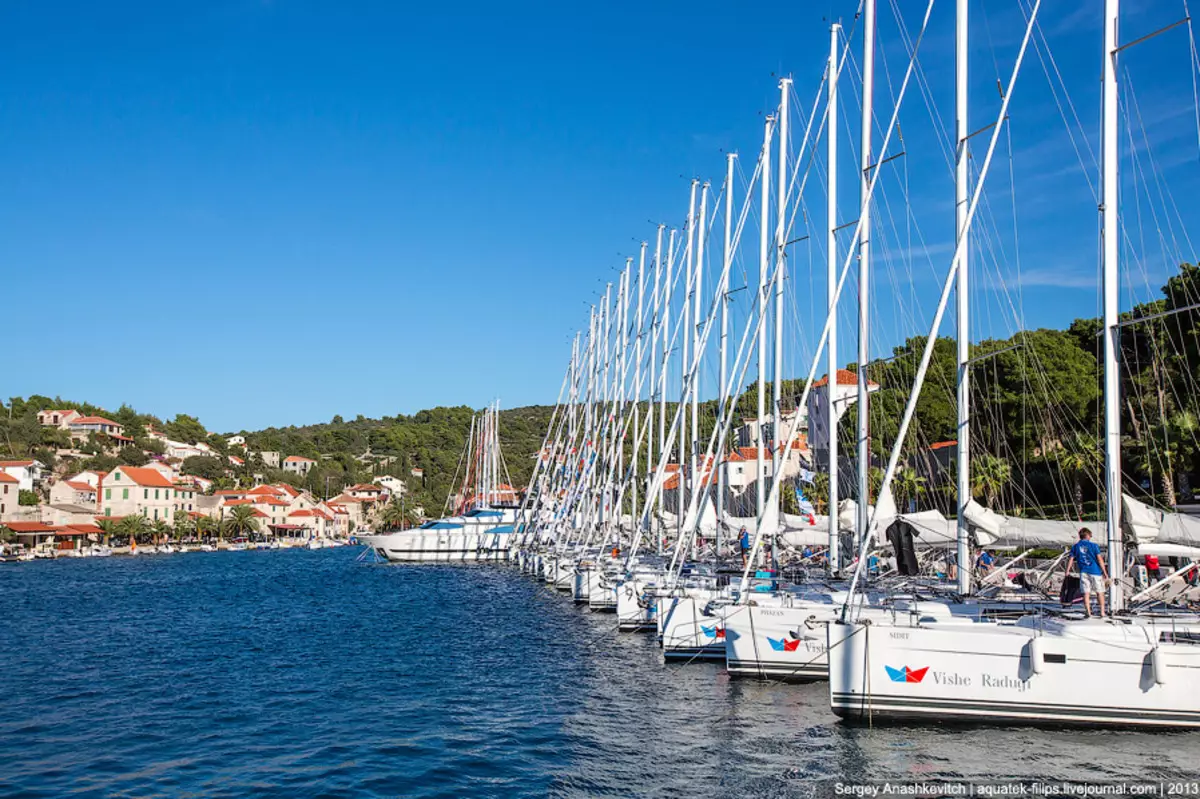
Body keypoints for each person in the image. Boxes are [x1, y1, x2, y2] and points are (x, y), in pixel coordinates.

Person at [1066, 528, 1109, 618]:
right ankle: (1102, 612)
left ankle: (1088, 612)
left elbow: (1071, 559)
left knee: (1086, 593)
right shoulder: (1094, 546)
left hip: (1083, 572)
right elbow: (1099, 559)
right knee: (1100, 592)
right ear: (1088, 535)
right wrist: (1105, 572)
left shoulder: (1075, 547)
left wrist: (1067, 571)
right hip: (1095, 571)